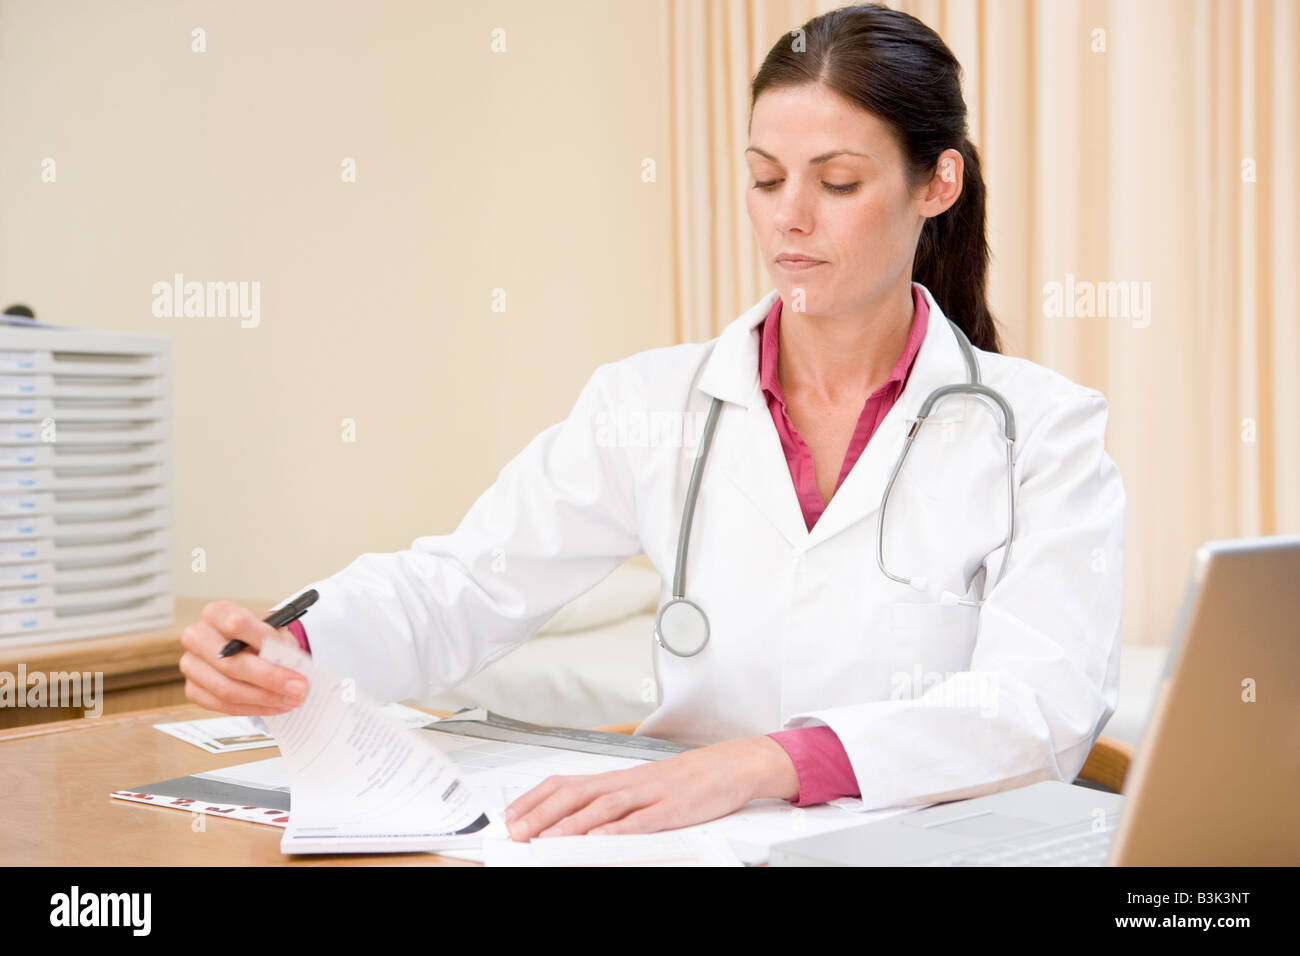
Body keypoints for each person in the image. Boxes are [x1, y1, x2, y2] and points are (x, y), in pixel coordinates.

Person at [179, 2, 1125, 843]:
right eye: (765, 180)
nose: (789, 218)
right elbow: (469, 581)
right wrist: (294, 646)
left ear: (938, 183)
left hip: (917, 844)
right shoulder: (650, 405)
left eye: (837, 183)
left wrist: (760, 762)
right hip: (692, 845)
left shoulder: (1041, 430)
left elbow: (1042, 706)